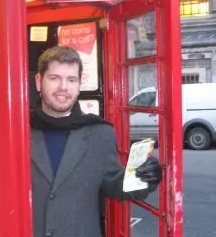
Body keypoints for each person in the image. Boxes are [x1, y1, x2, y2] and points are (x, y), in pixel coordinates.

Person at [30, 45, 162, 237]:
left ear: (79, 84)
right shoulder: (17, 132)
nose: (63, 87)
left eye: (71, 79)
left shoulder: (99, 133)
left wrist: (144, 176)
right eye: (54, 78)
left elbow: (114, 185)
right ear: (38, 81)